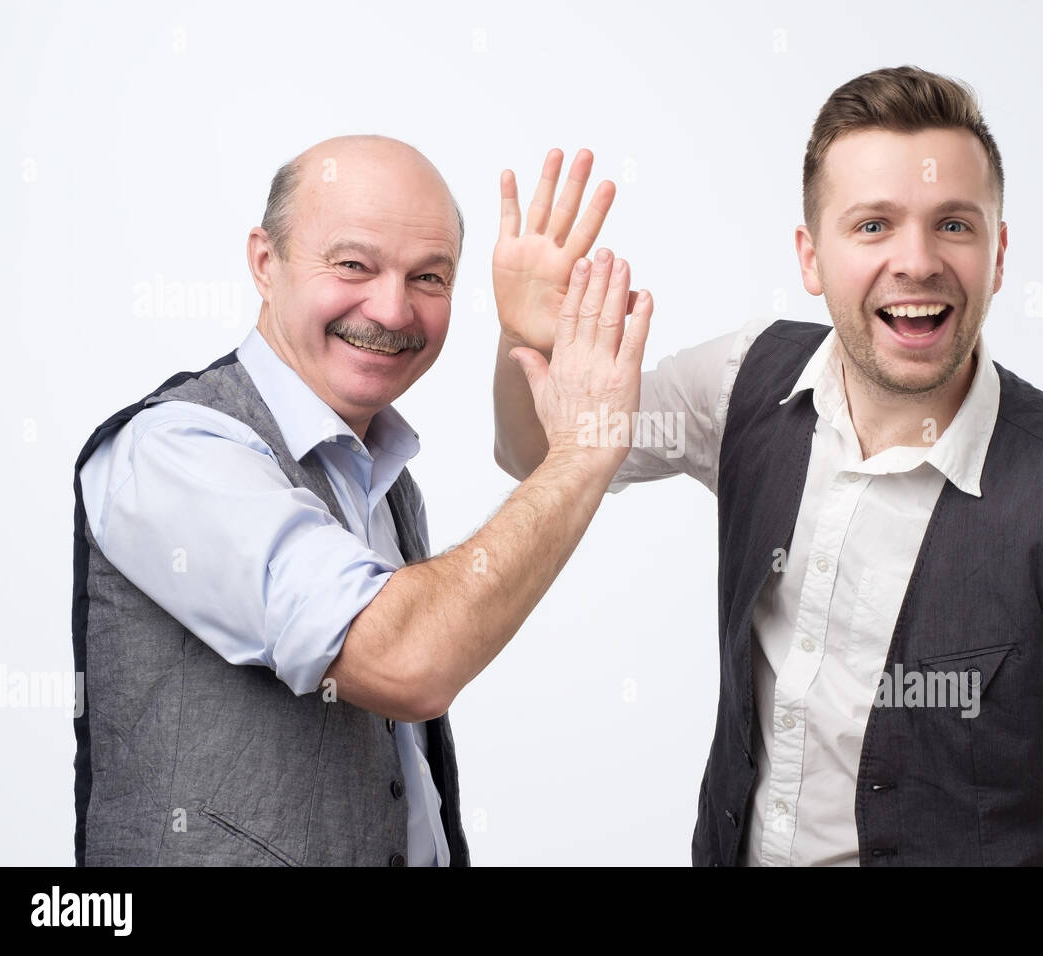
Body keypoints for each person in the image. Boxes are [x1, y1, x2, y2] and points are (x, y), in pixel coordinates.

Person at [492, 67, 1043, 866]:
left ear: (998, 252)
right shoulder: (743, 378)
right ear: (811, 257)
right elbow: (539, 454)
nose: (916, 262)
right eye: (873, 226)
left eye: (954, 224)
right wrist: (524, 340)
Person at [72, 134, 653, 866]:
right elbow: (409, 658)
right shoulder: (173, 452)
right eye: (353, 265)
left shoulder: (384, 480)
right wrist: (584, 451)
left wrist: (524, 344)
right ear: (265, 262)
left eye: (430, 278)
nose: (392, 309)